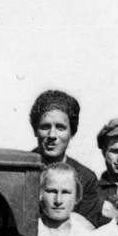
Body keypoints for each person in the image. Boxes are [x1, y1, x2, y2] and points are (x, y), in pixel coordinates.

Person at [28, 89, 105, 226]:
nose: (52, 135)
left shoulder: (86, 178)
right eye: (45, 127)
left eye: (60, 128)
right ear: (35, 130)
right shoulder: (22, 170)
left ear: (72, 132)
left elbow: (86, 228)